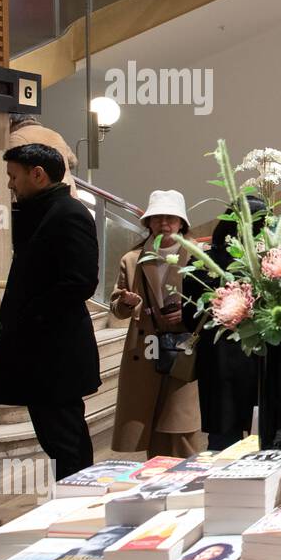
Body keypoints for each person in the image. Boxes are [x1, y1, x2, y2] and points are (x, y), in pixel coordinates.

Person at [0, 144, 100, 479]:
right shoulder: (44, 212)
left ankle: (77, 505)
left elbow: (80, 281)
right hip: (43, 353)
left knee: (66, 441)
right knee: (58, 439)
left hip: (56, 353)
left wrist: (30, 313)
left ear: (38, 174)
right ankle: (72, 501)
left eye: (13, 176)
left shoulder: (68, 214)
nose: (10, 184)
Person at [109, 190, 202, 458]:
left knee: (181, 425)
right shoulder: (132, 259)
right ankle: (156, 480)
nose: (164, 224)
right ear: (147, 222)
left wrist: (187, 314)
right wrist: (127, 301)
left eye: (170, 218)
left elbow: (212, 304)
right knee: (147, 422)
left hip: (184, 347)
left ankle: (186, 482)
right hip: (145, 348)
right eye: (157, 217)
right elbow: (117, 309)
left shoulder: (198, 256)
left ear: (182, 222)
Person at [185, 196, 264, 451]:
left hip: (218, 365)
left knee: (223, 444)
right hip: (258, 363)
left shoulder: (201, 264)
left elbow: (190, 318)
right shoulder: (264, 267)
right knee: (263, 440)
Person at [7, 114, 78, 193]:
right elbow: (72, 161)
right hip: (67, 190)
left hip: (42, 195)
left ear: (10, 122)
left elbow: (13, 169)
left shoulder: (17, 137)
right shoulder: (54, 134)